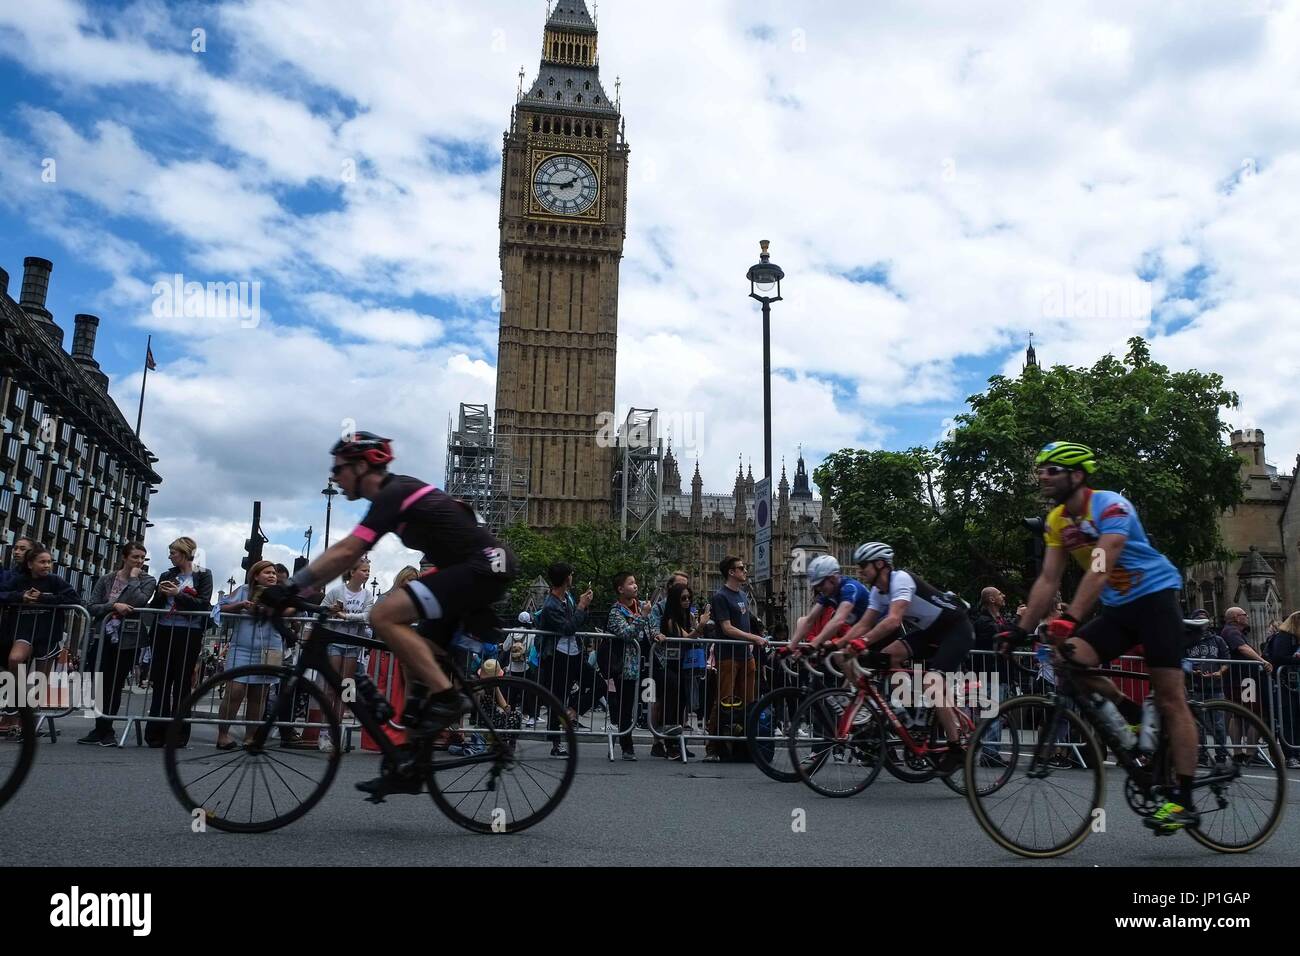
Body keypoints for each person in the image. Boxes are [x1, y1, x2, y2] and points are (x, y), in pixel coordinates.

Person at [257, 432, 517, 797]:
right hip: (469, 570)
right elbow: (347, 555)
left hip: (486, 566)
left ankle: (447, 697)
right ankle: (410, 764)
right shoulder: (389, 499)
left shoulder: (394, 493)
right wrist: (298, 592)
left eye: (339, 468)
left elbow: (348, 551)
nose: (334, 476)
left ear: (362, 466)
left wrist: (291, 587)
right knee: (416, 667)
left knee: (383, 615)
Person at [995, 441, 1199, 834]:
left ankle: (1183, 801)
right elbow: (1048, 579)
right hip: (1119, 609)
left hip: (1156, 599)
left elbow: (1103, 561)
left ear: (1077, 475)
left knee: (1171, 697)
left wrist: (1071, 616)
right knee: (1067, 659)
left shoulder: (1110, 506)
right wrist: (1018, 629)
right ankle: (1133, 716)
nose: (1042, 476)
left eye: (1051, 469)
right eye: (1040, 469)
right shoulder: (1057, 520)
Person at [834, 541, 974, 771]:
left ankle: (956, 746)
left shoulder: (901, 579)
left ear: (880, 564)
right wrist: (839, 645)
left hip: (956, 629)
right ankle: (913, 707)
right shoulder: (878, 592)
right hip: (932, 632)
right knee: (886, 656)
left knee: (932, 681)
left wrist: (863, 642)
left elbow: (893, 620)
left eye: (863, 566)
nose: (860, 571)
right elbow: (865, 623)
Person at [79, 541, 157, 746]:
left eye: (142, 558)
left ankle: (107, 728)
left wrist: (133, 580)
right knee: (97, 680)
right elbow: (92, 606)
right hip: (102, 635)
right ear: (124, 557)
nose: (139, 561)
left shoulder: (148, 580)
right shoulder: (107, 579)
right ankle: (98, 727)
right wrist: (113, 605)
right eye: (135, 557)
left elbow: (140, 601)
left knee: (115, 682)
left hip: (128, 638)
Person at [0, 543, 81, 734]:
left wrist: (44, 598)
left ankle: (30, 719)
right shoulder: (19, 580)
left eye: (49, 562)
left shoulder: (55, 581)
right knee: (15, 659)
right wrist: (21, 596)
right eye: (42, 562)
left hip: (48, 633)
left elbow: (75, 600)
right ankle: (16, 706)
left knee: (40, 679)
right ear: (30, 564)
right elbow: (3, 594)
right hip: (24, 630)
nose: (46, 565)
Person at [143, 537, 213, 747]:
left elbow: (203, 604)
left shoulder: (203, 575)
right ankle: (156, 732)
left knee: (182, 684)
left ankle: (179, 733)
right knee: (161, 681)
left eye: (173, 552)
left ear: (184, 553)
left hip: (188, 633)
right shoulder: (167, 575)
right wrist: (161, 593)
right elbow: (155, 604)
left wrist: (178, 594)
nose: (170, 556)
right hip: (164, 630)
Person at [215, 560, 284, 749]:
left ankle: (250, 736)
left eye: (274, 573)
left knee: (259, 695)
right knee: (235, 691)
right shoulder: (243, 590)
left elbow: (291, 611)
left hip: (269, 649)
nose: (272, 576)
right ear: (255, 575)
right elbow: (219, 607)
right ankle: (223, 735)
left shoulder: (280, 593)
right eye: (267, 572)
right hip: (242, 648)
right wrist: (239, 606)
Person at [705, 557, 767, 762]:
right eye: (741, 568)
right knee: (724, 701)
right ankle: (713, 746)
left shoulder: (742, 594)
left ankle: (742, 747)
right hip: (728, 657)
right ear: (731, 572)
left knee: (748, 702)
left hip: (746, 656)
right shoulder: (720, 596)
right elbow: (727, 628)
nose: (745, 570)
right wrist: (754, 638)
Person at [535, 562, 594, 758]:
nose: (573, 576)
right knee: (557, 697)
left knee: (597, 684)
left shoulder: (567, 597)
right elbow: (568, 628)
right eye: (571, 574)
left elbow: (577, 623)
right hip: (557, 656)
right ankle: (556, 742)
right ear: (566, 578)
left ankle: (573, 711)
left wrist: (583, 608)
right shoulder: (551, 605)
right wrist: (581, 606)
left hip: (575, 652)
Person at [320, 557, 375, 753]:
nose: (367, 574)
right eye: (364, 570)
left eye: (369, 571)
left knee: (346, 689)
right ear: (352, 572)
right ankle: (324, 733)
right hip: (335, 641)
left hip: (353, 645)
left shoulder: (367, 595)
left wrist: (345, 616)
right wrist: (332, 610)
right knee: (330, 688)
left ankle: (338, 732)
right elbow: (322, 609)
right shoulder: (336, 591)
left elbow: (367, 616)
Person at [658, 581, 710, 758]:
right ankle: (670, 745)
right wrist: (701, 625)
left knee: (681, 707)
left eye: (689, 597)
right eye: (683, 598)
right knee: (672, 707)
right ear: (675, 600)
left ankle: (678, 743)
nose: (687, 601)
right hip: (671, 667)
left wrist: (697, 624)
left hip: (684, 666)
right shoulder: (670, 619)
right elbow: (687, 638)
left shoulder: (686, 616)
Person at [603, 571, 649, 760]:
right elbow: (627, 633)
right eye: (631, 583)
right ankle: (626, 745)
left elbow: (648, 631)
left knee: (637, 705)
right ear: (621, 589)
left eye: (635, 582)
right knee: (625, 707)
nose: (635, 586)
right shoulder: (616, 612)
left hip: (641, 665)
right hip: (623, 668)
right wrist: (642, 617)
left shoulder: (639, 607)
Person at [789, 555, 870, 655]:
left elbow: (838, 620)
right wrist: (789, 648)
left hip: (879, 632)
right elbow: (809, 620)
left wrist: (814, 644)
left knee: (844, 656)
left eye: (821, 584)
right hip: (864, 634)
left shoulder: (850, 588)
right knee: (840, 657)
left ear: (833, 578)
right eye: (816, 586)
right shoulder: (828, 593)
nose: (818, 589)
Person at [1183, 608, 1232, 770]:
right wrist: (1192, 670)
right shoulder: (1188, 640)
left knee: (1219, 725)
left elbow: (1226, 661)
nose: (1203, 622)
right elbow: (1183, 660)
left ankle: (1221, 756)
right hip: (1196, 687)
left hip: (1216, 687)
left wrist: (1220, 672)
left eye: (1205, 618)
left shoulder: (1217, 640)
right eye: (1199, 619)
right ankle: (1202, 756)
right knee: (1199, 725)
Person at [648, 570, 690, 757]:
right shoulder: (659, 608)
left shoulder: (687, 608)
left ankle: (676, 741)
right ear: (669, 588)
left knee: (680, 700)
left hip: (681, 661)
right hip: (661, 661)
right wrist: (658, 635)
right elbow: (653, 629)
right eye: (680, 585)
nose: (684, 590)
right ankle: (658, 740)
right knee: (659, 701)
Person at [1264, 611, 1300, 768]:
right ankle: (1290, 755)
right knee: (1288, 719)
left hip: (1293, 684)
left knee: (1296, 719)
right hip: (1283, 684)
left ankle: (1296, 752)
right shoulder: (1283, 637)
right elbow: (1278, 657)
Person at [972, 587, 1009, 653]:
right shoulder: (982, 621)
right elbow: (999, 632)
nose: (1004, 595)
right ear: (992, 599)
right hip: (988, 662)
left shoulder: (1001, 618)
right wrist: (1018, 616)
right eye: (1000, 594)